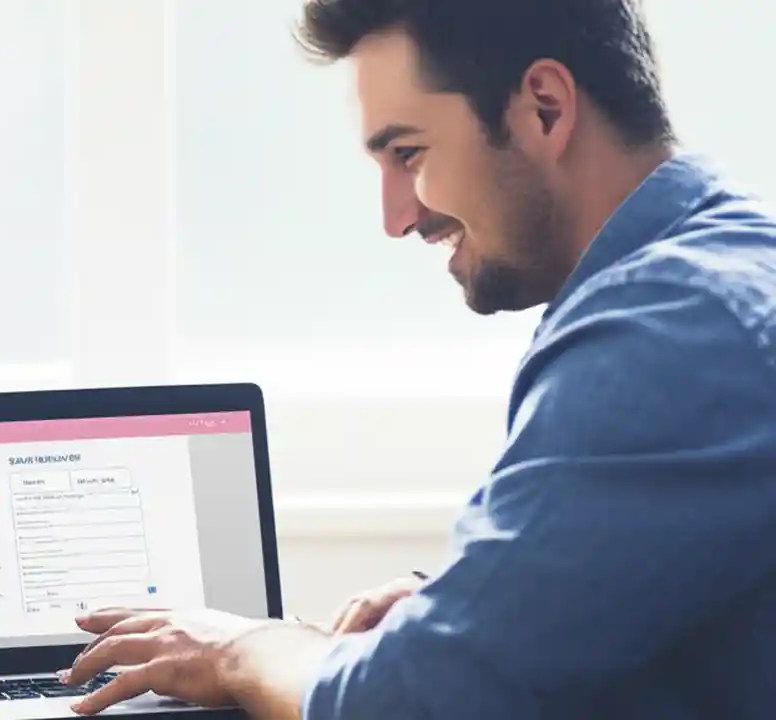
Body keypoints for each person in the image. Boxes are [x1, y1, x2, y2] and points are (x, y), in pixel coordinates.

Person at [60, 1, 776, 718]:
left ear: (545, 109)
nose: (395, 217)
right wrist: (481, 611)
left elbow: (407, 704)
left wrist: (244, 650)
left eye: (410, 154)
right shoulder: (727, 274)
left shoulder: (668, 328)